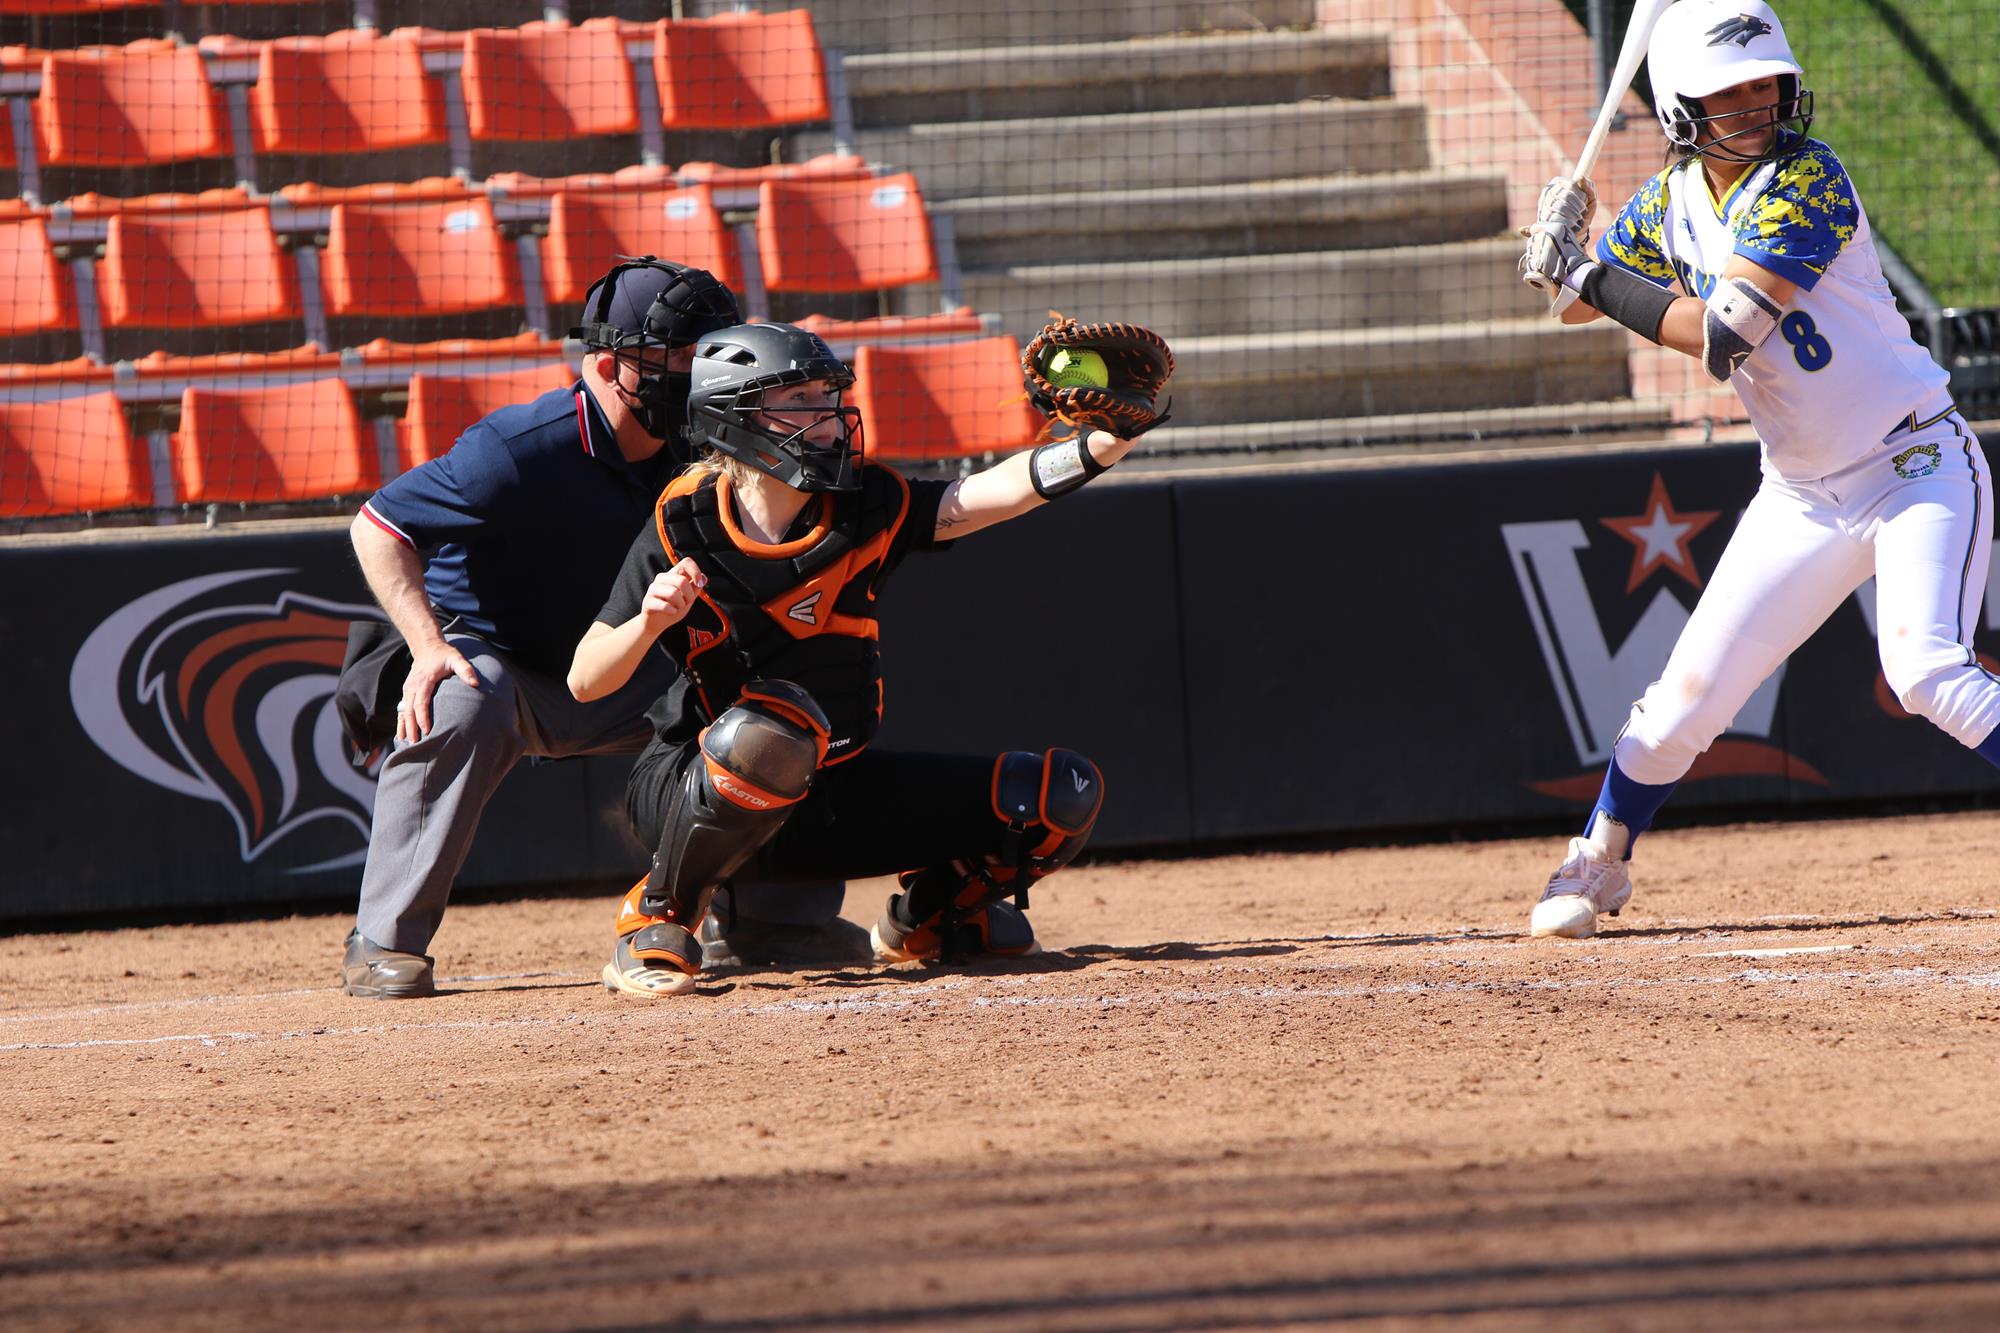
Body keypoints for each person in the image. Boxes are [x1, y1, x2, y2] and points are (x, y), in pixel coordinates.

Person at [1517, 0, 1994, 937]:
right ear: (1681, 111)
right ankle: (1599, 859)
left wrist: (1584, 276)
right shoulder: (1667, 202)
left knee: (1927, 671)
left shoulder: (1805, 178)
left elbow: (1725, 334)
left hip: (1915, 461)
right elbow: (1585, 304)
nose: (1757, 105)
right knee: (1675, 708)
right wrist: (1561, 249)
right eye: (1729, 93)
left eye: (1765, 85)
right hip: (1802, 492)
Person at [339, 259, 863, 998]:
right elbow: (378, 524)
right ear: (612, 366)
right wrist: (427, 645)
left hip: (635, 669)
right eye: (682, 357)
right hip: (507, 668)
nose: (701, 372)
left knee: (775, 698)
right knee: (455, 700)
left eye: (711, 353)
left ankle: (777, 917)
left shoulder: (717, 443)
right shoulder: (517, 450)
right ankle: (383, 939)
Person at [567, 322, 1127, 997]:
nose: (828, 417)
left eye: (827, 396)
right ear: (736, 416)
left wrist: (1103, 443)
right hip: (693, 787)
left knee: (1054, 798)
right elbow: (584, 678)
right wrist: (650, 620)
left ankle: (924, 921)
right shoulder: (683, 522)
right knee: (770, 731)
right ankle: (660, 913)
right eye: (800, 399)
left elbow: (988, 495)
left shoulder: (867, 504)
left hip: (833, 791)